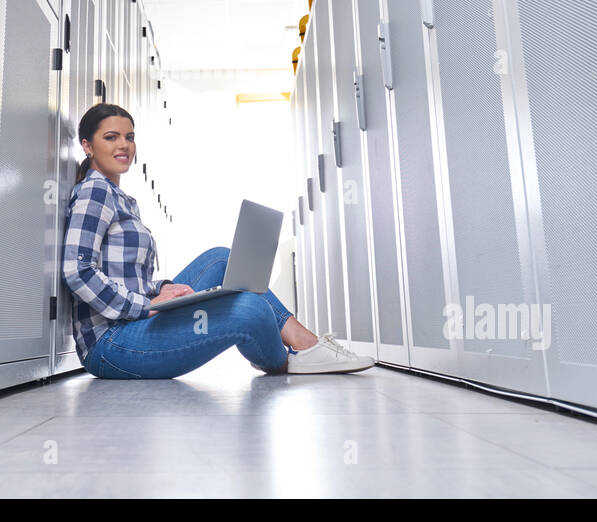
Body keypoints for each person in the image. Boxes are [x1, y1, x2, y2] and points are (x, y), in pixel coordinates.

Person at [61, 102, 375, 379]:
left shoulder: (123, 198)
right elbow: (78, 271)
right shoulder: (95, 191)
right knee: (250, 309)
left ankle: (307, 346)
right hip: (111, 344)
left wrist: (160, 289)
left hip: (133, 322)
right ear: (88, 146)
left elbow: (123, 275)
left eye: (129, 137)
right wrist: (146, 305)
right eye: (111, 137)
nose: (124, 145)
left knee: (221, 258)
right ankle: (293, 358)